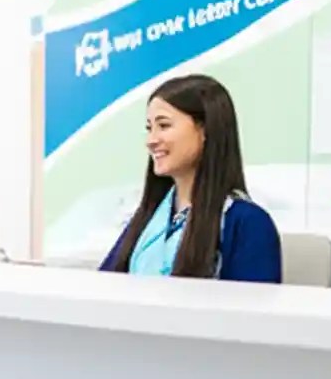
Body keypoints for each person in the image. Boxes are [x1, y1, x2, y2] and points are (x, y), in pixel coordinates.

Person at [100, 73, 282, 282]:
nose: (151, 141)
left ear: (205, 130)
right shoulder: (148, 217)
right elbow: (104, 288)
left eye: (164, 126)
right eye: (149, 128)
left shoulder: (246, 223)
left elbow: (252, 311)